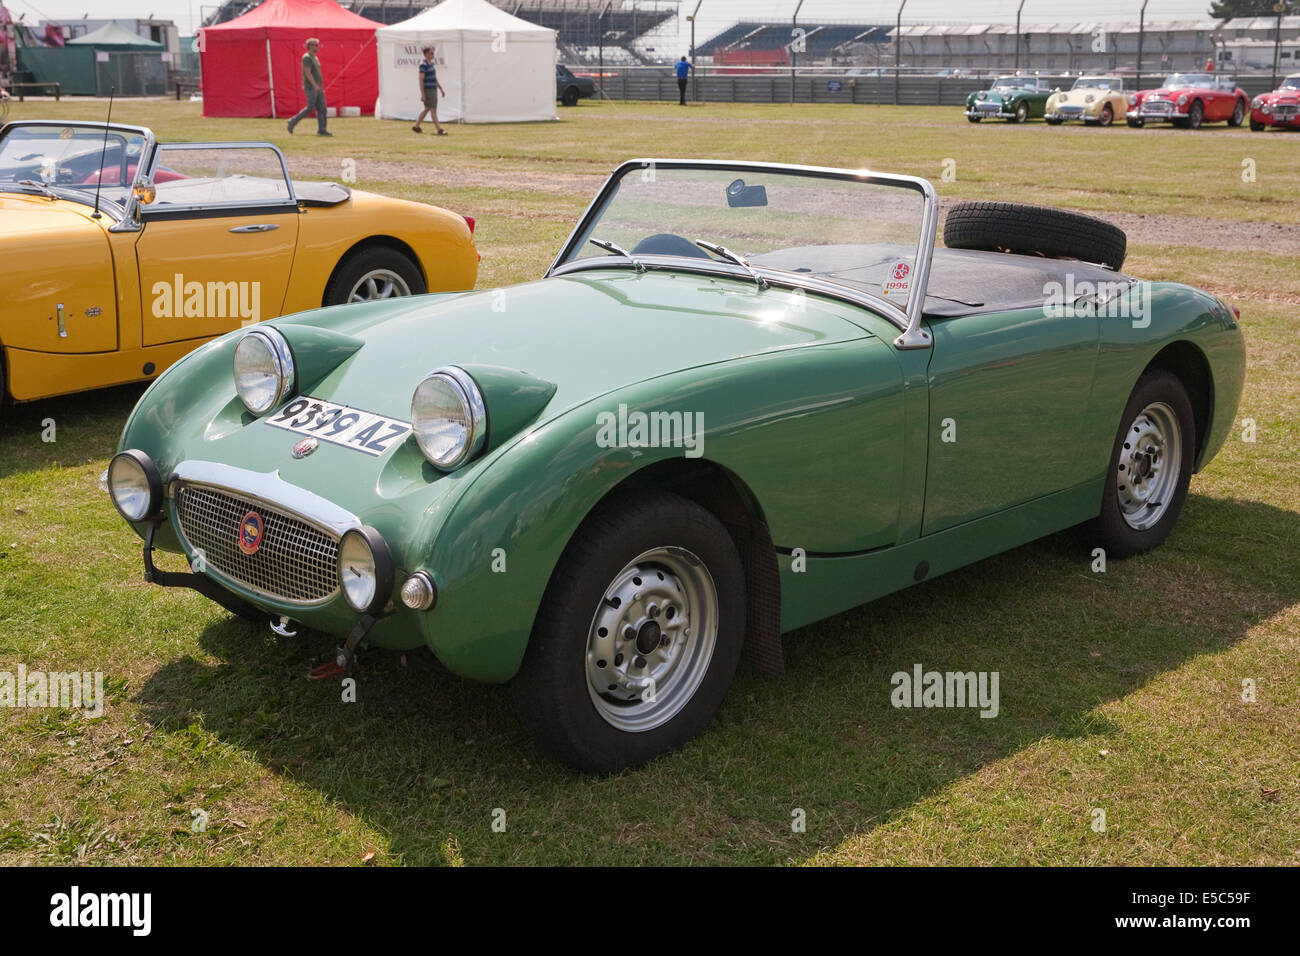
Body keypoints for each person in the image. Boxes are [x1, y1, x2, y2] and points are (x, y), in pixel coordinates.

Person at [287, 38, 331, 136]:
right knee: (310, 108)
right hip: (311, 87)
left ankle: (322, 130)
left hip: (318, 88)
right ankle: (292, 121)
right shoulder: (307, 58)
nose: (317, 47)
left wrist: (319, 86)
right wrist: (315, 85)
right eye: (314, 45)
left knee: (322, 109)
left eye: (317, 45)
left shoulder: (315, 58)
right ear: (309, 46)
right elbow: (308, 73)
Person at [413, 46, 446, 135]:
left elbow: (434, 78)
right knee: (433, 109)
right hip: (428, 90)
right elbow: (421, 80)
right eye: (431, 53)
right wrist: (423, 94)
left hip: (433, 89)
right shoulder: (423, 65)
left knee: (427, 108)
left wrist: (440, 88)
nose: (433, 55)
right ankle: (439, 129)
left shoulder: (431, 63)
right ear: (426, 54)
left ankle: (416, 126)